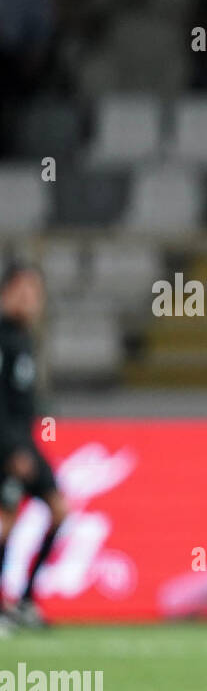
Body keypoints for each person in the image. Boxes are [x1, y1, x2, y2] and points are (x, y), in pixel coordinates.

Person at [0, 265, 67, 628]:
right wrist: (11, 449)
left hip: (26, 442)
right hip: (8, 446)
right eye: (24, 291)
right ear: (6, 292)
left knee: (60, 510)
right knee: (5, 520)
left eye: (36, 293)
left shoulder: (24, 339)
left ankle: (25, 600)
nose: (31, 300)